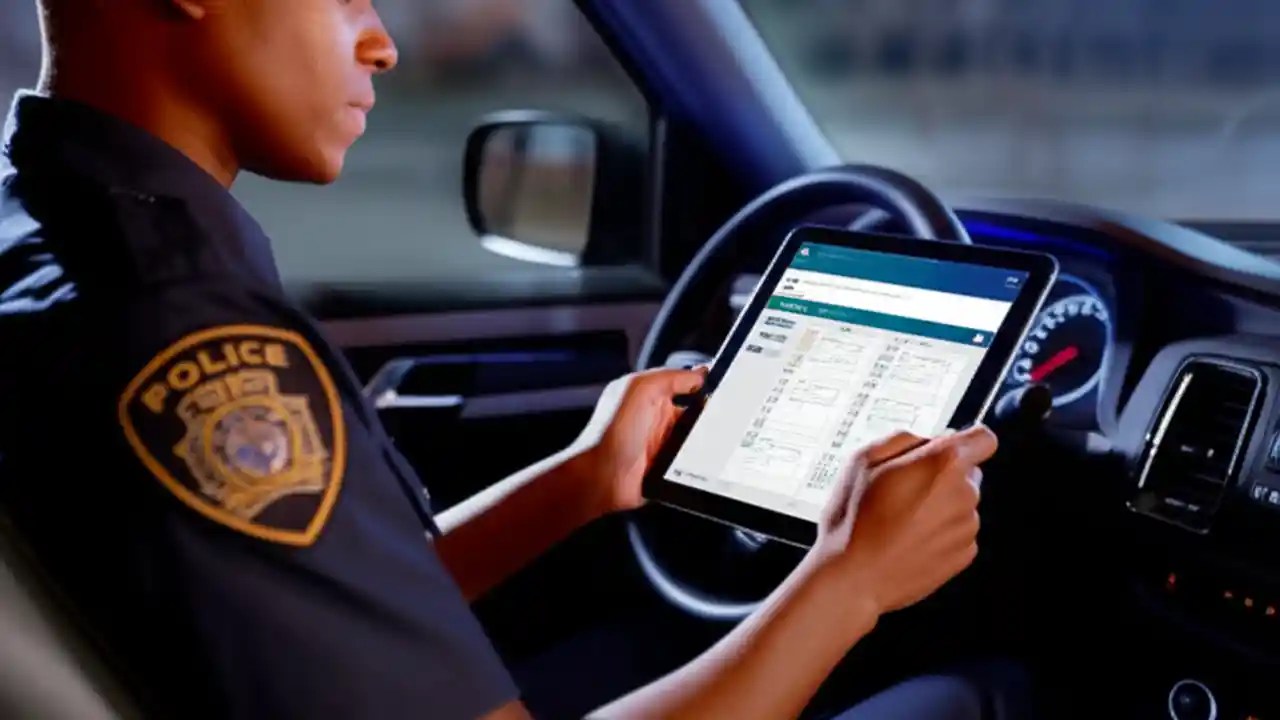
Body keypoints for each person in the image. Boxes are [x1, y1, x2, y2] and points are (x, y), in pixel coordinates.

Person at [0, 1, 1014, 718]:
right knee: (981, 695)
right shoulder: (194, 343)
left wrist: (580, 480)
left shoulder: (43, 238)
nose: (381, 43)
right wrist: (847, 583)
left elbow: (304, 605)